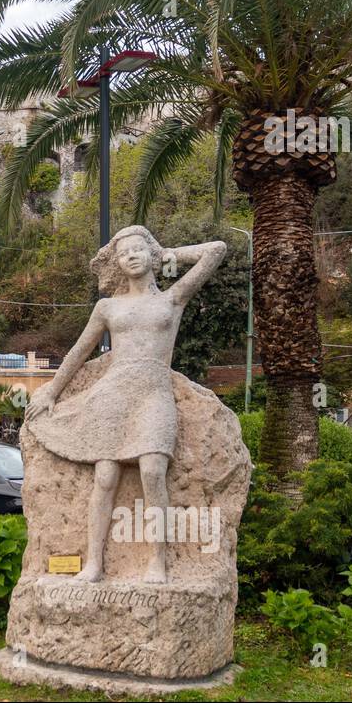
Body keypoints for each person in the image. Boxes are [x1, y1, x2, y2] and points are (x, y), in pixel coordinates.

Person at [25, 226, 226, 583]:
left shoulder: (172, 299)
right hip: (113, 395)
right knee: (104, 476)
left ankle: (158, 561)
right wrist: (51, 392)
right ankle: (95, 564)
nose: (131, 256)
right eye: (123, 252)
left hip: (154, 393)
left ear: (151, 254)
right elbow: (79, 351)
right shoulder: (108, 307)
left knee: (152, 470)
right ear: (116, 264)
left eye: (138, 249)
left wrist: (170, 253)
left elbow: (216, 250)